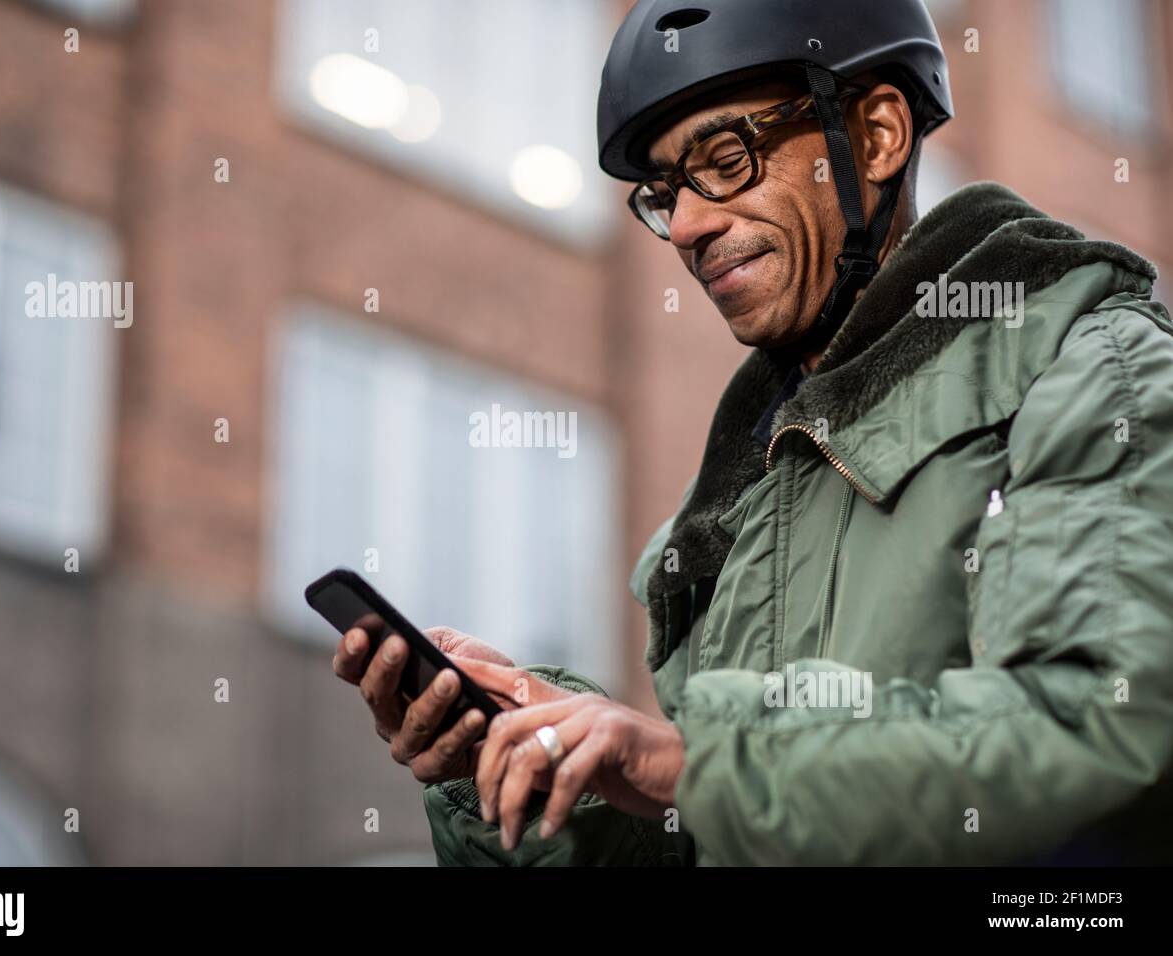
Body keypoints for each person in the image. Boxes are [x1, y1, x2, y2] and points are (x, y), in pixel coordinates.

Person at [333, 0, 1173, 865]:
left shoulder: (1087, 369)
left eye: (726, 159)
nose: (688, 227)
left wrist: (691, 765)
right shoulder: (738, 504)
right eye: (663, 195)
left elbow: (1089, 729)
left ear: (879, 134)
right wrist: (552, 769)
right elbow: (732, 836)